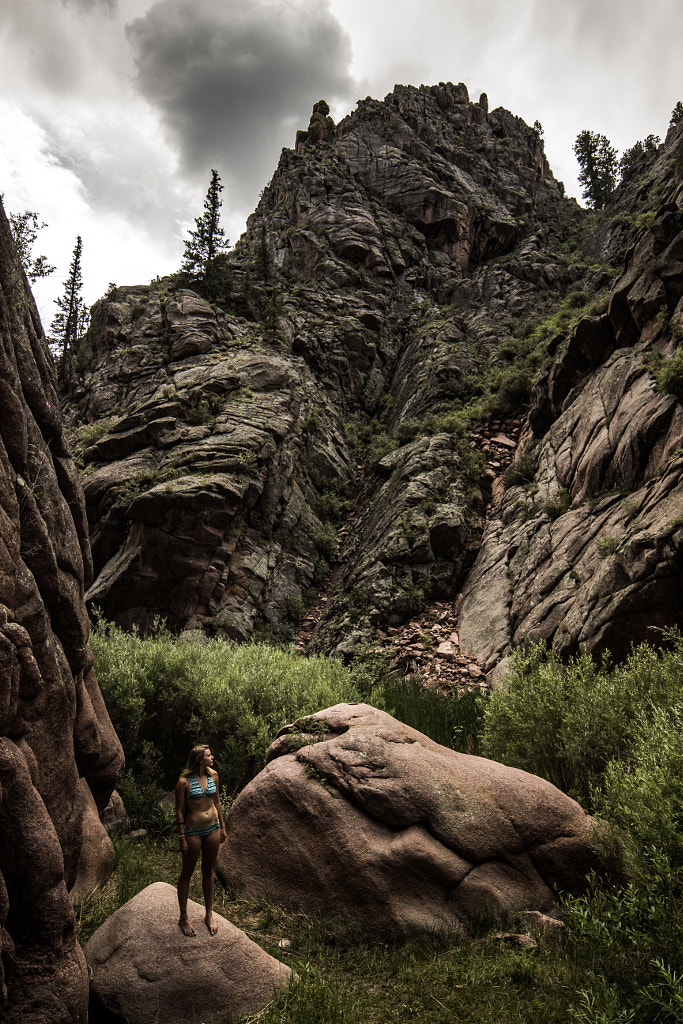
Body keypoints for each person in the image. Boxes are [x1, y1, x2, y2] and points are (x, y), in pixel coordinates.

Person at [175, 743, 227, 936]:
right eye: (208, 755)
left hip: (213, 829)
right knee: (187, 873)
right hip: (193, 832)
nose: (212, 757)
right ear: (199, 759)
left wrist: (222, 825)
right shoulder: (183, 782)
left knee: (208, 871)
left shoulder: (213, 775)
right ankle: (183, 918)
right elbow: (179, 811)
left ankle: (209, 914)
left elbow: (217, 801)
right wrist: (182, 837)